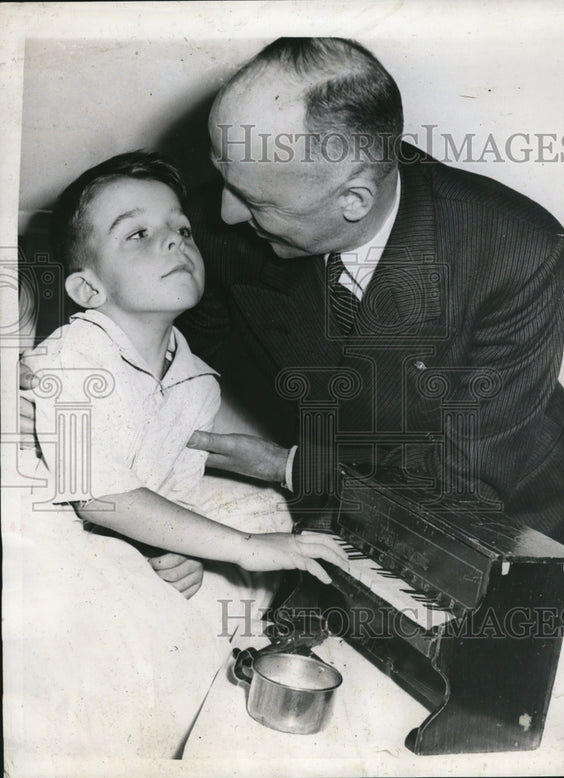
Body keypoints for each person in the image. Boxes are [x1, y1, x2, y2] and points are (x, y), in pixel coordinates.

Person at [178, 37, 564, 551]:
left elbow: (464, 485)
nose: (225, 216)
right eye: (223, 178)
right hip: (331, 495)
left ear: (353, 200)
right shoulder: (216, 226)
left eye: (254, 202)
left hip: (497, 514)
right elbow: (185, 349)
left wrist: (290, 465)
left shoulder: (517, 254)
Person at [12, 150, 348, 758]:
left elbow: (166, 490)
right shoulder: (72, 359)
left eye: (182, 228)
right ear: (89, 288)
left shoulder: (194, 376)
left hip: (119, 537)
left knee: (246, 532)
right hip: (47, 543)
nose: (174, 242)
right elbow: (103, 496)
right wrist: (245, 548)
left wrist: (171, 544)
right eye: (138, 233)